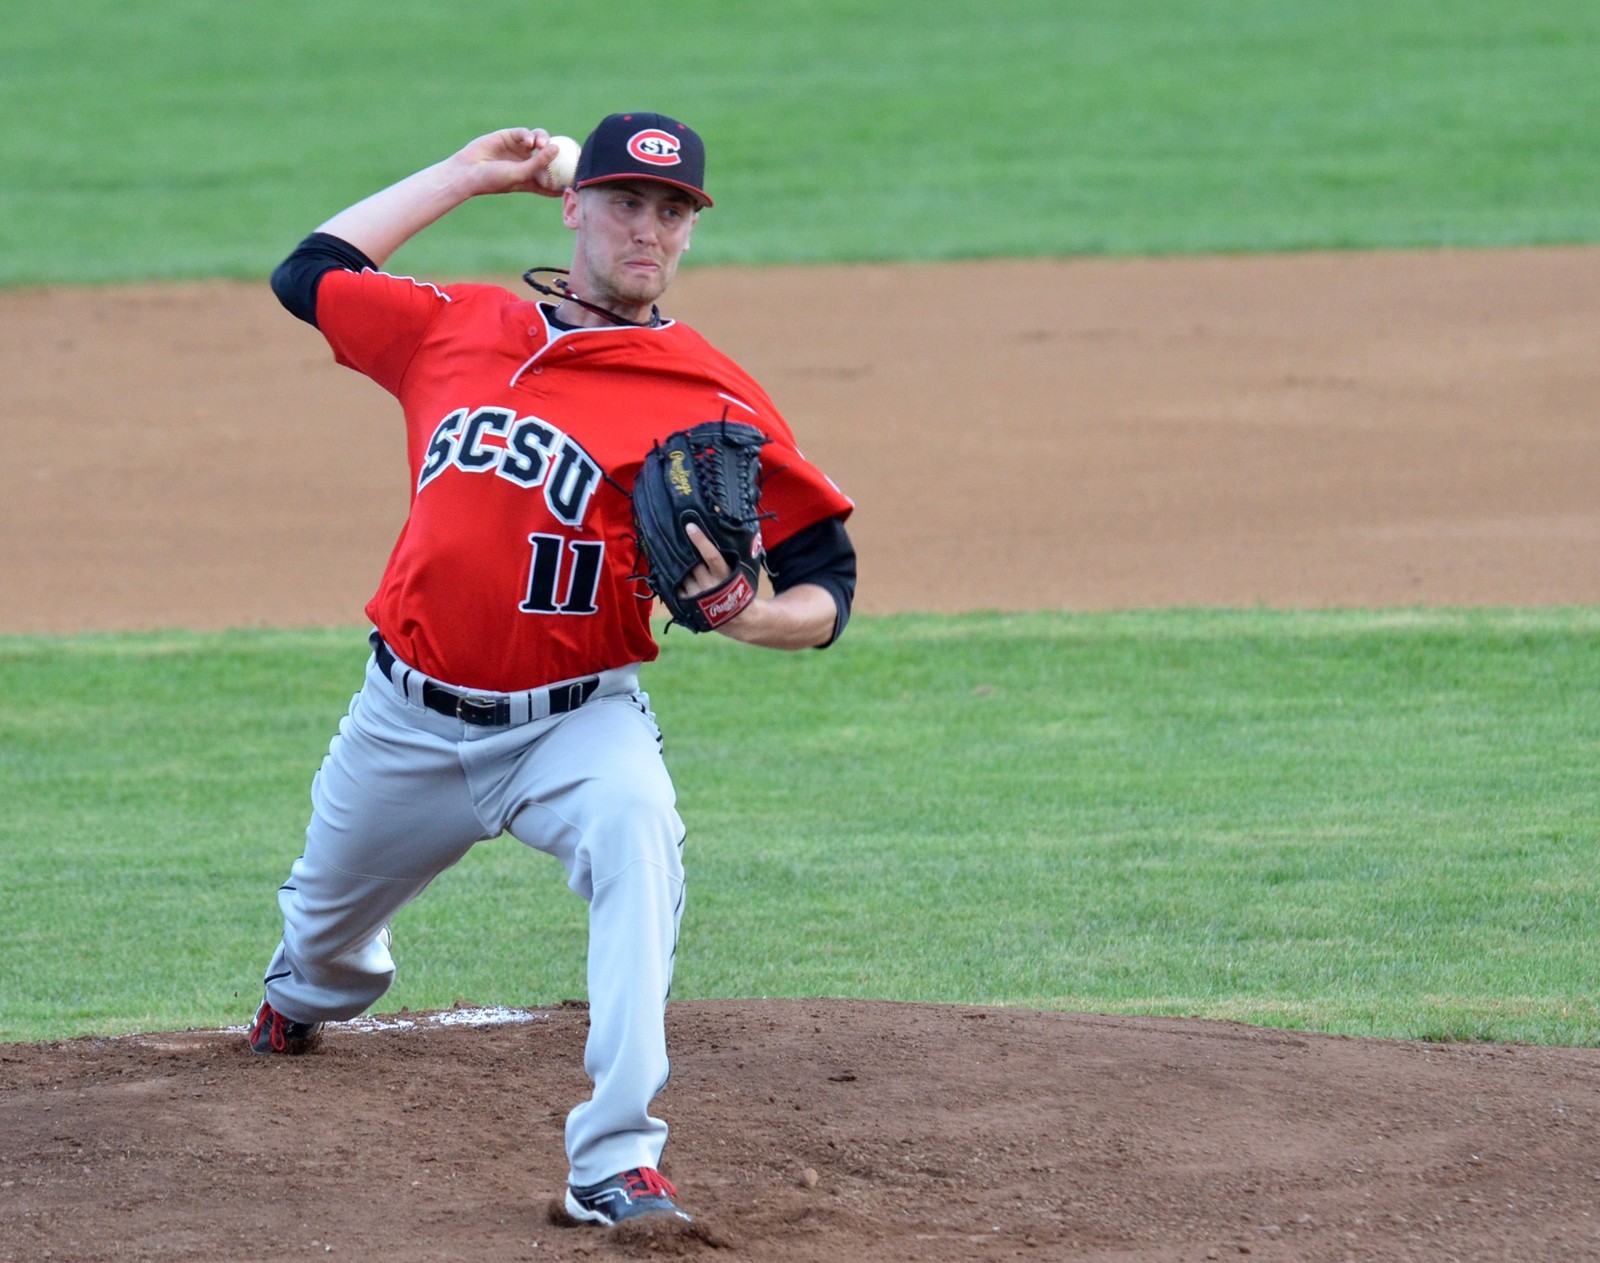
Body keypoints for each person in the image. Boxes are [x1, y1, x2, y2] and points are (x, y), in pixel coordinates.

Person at [245, 112, 857, 1228]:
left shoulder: (711, 395)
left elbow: (830, 589)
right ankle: (300, 995)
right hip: (405, 721)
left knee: (640, 838)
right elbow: (310, 273)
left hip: (576, 726)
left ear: (689, 237)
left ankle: (615, 1159)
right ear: (572, 206)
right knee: (320, 955)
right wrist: (467, 174)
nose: (648, 228)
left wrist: (747, 615)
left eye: (672, 212)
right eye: (626, 200)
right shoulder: (455, 326)